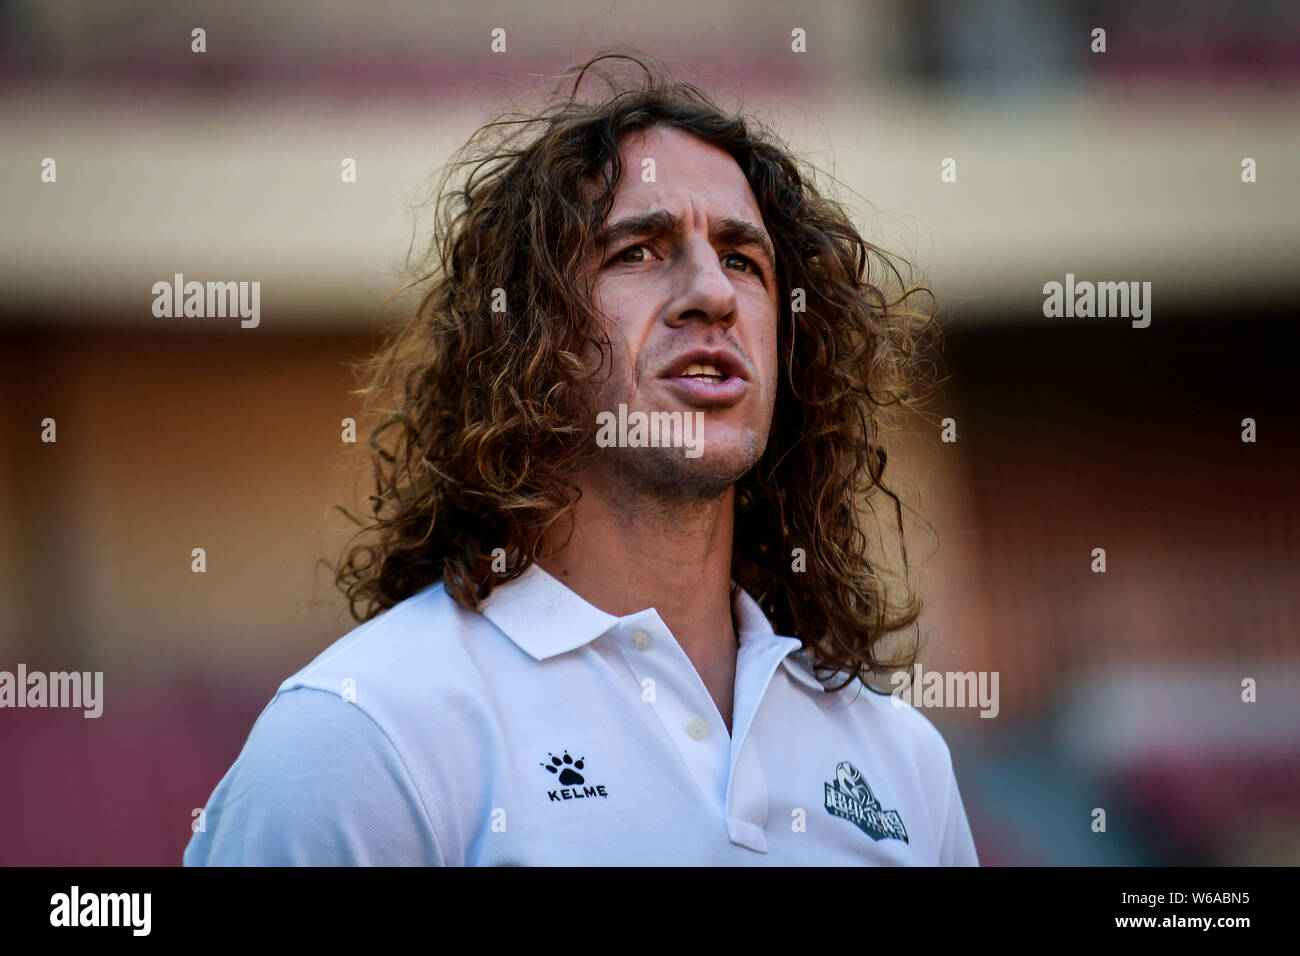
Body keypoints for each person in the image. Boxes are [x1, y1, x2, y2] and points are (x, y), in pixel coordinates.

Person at [184, 52, 978, 866]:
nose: (714, 293)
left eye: (744, 259)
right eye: (637, 250)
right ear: (531, 339)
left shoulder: (902, 762)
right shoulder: (365, 734)